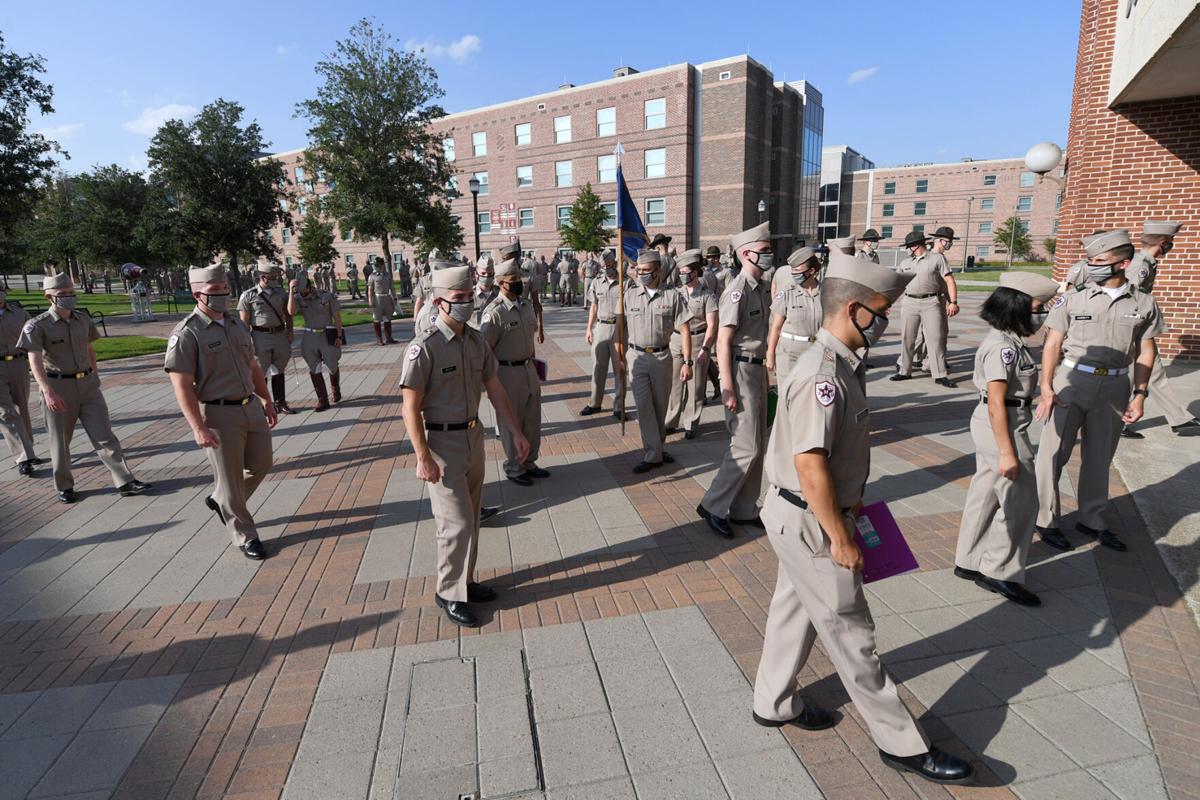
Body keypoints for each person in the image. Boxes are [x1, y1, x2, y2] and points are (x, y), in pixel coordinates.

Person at [751, 250, 973, 786]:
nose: (888, 319)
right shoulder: (823, 375)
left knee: (793, 610)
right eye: (881, 310)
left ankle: (774, 701)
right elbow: (811, 466)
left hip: (795, 516)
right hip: (811, 519)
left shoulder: (841, 365)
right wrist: (840, 538)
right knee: (852, 632)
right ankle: (902, 744)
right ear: (854, 310)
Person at [400, 264, 530, 628]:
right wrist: (422, 456)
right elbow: (409, 407)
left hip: (473, 436)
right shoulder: (423, 347)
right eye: (459, 299)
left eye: (470, 297)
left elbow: (496, 389)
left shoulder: (476, 342)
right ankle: (448, 591)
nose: (467, 303)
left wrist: (516, 432)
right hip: (441, 443)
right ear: (439, 302)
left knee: (471, 518)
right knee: (454, 523)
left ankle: (466, 582)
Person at [1034, 229, 1162, 552]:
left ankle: (1091, 519)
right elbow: (1052, 344)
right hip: (1072, 380)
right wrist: (1046, 387)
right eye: (1091, 260)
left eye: (1101, 260)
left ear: (1124, 263)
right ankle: (1044, 518)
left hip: (1116, 386)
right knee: (1053, 453)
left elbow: (1146, 351)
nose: (1092, 265)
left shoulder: (1144, 302)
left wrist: (1140, 394)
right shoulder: (1073, 298)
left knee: (1100, 456)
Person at [955, 272, 1060, 606]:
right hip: (1002, 427)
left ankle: (969, 560)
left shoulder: (1009, 341)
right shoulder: (1002, 348)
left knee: (985, 493)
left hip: (1000, 422)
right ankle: (1000, 571)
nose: (1041, 314)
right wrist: (1007, 453)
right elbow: (997, 403)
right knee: (1021, 500)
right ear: (1017, 307)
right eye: (1038, 307)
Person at [165, 264, 276, 560]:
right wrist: (197, 427)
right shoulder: (187, 333)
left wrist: (266, 398)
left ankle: (222, 501)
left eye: (225, 288)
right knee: (228, 479)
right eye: (215, 291)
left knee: (262, 463)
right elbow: (182, 386)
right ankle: (245, 536)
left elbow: (252, 365)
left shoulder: (237, 324)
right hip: (218, 414)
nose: (222, 295)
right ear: (197, 294)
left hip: (249, 406)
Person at [18, 273, 149, 504]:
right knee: (60, 441)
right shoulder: (37, 326)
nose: (69, 297)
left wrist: (95, 377)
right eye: (62, 294)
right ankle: (65, 486)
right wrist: (47, 390)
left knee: (105, 435)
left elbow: (89, 350)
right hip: (58, 386)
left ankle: (125, 481)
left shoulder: (82, 319)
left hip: (87, 385)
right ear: (49, 296)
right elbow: (34, 360)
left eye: (71, 293)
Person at [697, 222, 773, 538]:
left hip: (757, 372)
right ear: (746, 254)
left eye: (770, 250)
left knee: (758, 445)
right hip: (740, 372)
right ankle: (713, 505)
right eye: (764, 251)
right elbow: (723, 342)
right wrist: (726, 386)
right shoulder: (737, 291)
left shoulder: (763, 288)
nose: (770, 255)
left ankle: (744, 509)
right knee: (745, 446)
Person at [614, 250, 692, 472]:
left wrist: (688, 361)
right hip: (636, 357)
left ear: (658, 271)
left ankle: (657, 448)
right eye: (638, 271)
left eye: (646, 271)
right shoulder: (629, 295)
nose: (641, 275)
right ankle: (652, 455)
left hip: (662, 357)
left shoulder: (673, 296)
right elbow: (620, 330)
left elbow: (684, 328)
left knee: (660, 406)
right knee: (644, 406)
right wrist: (619, 358)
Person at [1121, 221, 1198, 438]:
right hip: (1133, 328)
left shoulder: (1147, 262)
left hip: (1139, 327)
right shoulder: (1140, 266)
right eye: (1170, 242)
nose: (1170, 246)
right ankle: (1118, 421)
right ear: (1163, 242)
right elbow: (1129, 298)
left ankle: (1180, 419)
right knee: (1138, 374)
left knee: (1153, 374)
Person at [481, 256, 547, 486]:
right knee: (512, 422)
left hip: (529, 368)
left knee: (532, 419)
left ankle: (530, 462)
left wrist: (537, 368)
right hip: (507, 373)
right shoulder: (494, 312)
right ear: (501, 283)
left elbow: (529, 339)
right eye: (513, 279)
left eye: (520, 278)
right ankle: (514, 467)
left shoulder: (526, 305)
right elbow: (485, 350)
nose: (519, 282)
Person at [891, 228, 960, 388]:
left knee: (935, 339)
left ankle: (940, 374)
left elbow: (949, 280)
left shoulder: (937, 259)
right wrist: (887, 303)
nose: (908, 249)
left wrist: (953, 302)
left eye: (910, 246)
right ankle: (904, 371)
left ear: (917, 245)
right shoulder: (905, 263)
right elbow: (896, 285)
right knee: (908, 338)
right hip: (909, 303)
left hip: (931, 302)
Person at [664, 250, 716, 439]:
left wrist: (705, 348)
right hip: (676, 340)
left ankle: (691, 424)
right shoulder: (676, 293)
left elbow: (712, 325)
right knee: (675, 384)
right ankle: (670, 421)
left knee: (696, 387)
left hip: (697, 341)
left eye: (686, 272)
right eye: (681, 272)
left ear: (695, 272)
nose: (683, 275)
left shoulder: (707, 296)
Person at [237, 264, 295, 414]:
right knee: (260, 372)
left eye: (276, 277)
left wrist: (290, 330)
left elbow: (288, 314)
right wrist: (247, 341)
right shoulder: (249, 295)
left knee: (279, 369)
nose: (276, 280)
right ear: (263, 277)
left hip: (279, 334)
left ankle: (280, 402)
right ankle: (263, 404)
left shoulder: (280, 293)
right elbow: (244, 322)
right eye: (273, 277)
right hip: (260, 336)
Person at [287, 273, 345, 412]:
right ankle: (322, 400)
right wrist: (291, 291)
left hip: (327, 334)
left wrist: (339, 336)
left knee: (332, 366)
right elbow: (291, 311)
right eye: (300, 292)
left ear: (309, 286)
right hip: (310, 336)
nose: (303, 294)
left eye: (304, 290)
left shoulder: (325, 295)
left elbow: (337, 316)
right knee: (314, 368)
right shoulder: (298, 298)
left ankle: (335, 389)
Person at [0, 286, 41, 476]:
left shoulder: (20, 314)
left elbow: (35, 340)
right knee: (5, 413)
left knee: (22, 407)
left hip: (18, 364)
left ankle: (29, 450)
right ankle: (24, 456)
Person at [766, 246, 822, 381]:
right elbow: (776, 327)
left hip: (816, 351)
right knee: (788, 396)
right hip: (789, 353)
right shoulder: (787, 293)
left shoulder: (825, 293)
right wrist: (770, 354)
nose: (793, 274)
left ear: (811, 271)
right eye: (792, 270)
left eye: (797, 271)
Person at [581, 250, 624, 418]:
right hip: (600, 327)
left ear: (615, 263)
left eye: (610, 266)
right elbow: (594, 306)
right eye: (604, 267)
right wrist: (588, 328)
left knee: (619, 368)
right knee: (598, 367)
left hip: (619, 329)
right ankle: (595, 403)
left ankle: (619, 407)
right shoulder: (597, 282)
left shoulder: (625, 283)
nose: (607, 269)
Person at [367, 256, 399, 345]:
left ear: (382, 265)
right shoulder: (372, 276)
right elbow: (370, 289)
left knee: (387, 319)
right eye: (376, 265)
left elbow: (392, 287)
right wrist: (370, 300)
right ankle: (379, 339)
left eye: (380, 265)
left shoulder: (387, 275)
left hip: (387, 298)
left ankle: (389, 337)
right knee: (377, 319)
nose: (378, 267)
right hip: (377, 299)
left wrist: (395, 298)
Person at [471, 255, 499, 328]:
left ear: (493, 273)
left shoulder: (499, 294)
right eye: (483, 273)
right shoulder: (470, 295)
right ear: (476, 274)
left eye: (489, 273)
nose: (486, 276)